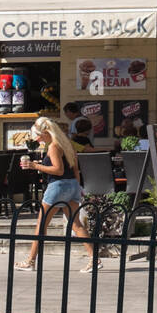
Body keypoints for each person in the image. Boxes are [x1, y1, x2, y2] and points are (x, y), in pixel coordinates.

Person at [15, 117, 98, 273]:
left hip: (57, 187)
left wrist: (34, 166)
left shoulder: (53, 146)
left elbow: (58, 170)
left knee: (41, 225)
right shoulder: (67, 144)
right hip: (72, 185)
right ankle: (94, 259)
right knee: (76, 224)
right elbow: (75, 169)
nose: (37, 139)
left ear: (46, 132)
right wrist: (77, 187)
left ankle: (30, 261)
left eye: (39, 135)